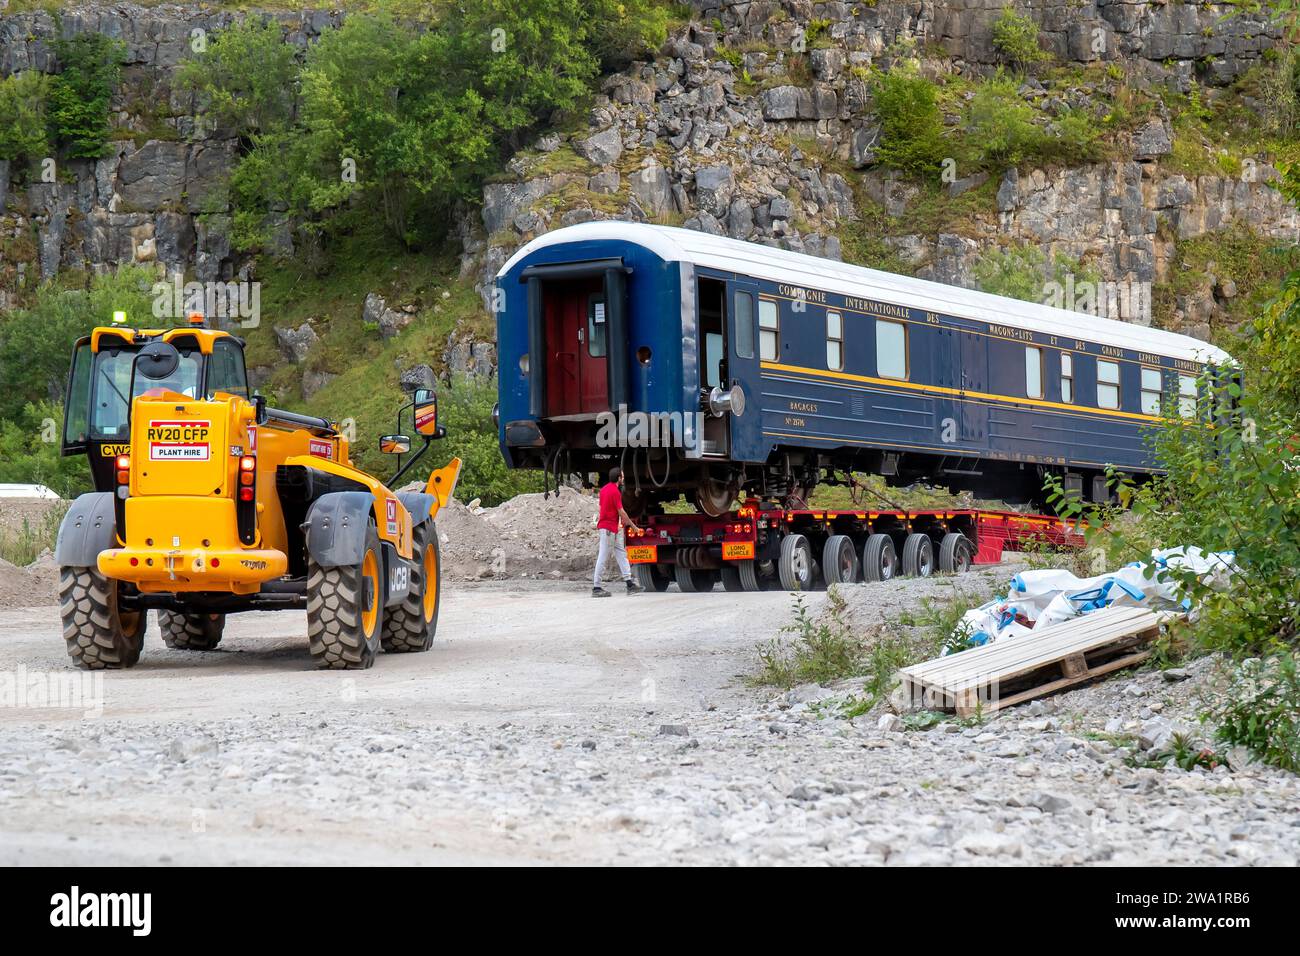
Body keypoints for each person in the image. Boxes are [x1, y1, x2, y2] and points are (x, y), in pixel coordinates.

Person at [592, 467, 644, 597]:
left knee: (621, 553)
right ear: (619, 478)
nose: (624, 478)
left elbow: (602, 508)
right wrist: (634, 527)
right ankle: (596, 588)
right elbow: (622, 512)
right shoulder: (615, 492)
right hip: (609, 529)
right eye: (622, 476)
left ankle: (630, 584)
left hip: (611, 527)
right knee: (603, 556)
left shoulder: (604, 490)